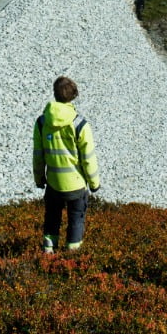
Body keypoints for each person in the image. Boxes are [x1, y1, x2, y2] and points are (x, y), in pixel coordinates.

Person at [32, 75, 99, 254]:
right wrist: (94, 184)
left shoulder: (41, 122)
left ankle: (47, 251)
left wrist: (39, 179)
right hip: (76, 185)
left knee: (52, 218)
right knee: (76, 219)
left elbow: (38, 156)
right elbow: (88, 158)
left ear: (55, 95)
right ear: (73, 96)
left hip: (53, 184)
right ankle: (72, 255)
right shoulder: (80, 125)